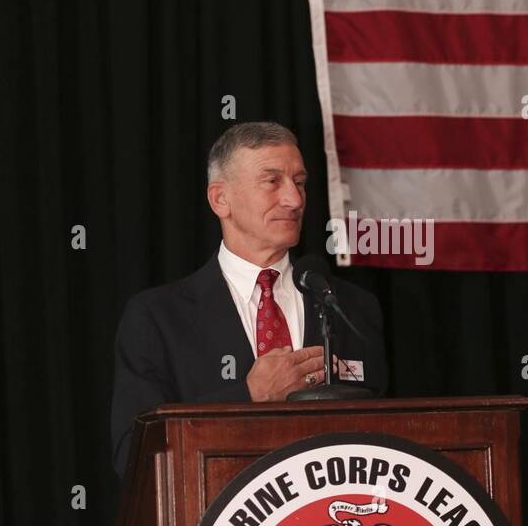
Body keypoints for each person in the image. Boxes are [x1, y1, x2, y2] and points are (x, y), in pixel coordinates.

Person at [110, 121, 387, 479]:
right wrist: (247, 395)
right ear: (220, 199)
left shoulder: (352, 307)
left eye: (299, 183)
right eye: (272, 182)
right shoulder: (157, 317)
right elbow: (133, 453)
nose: (294, 199)